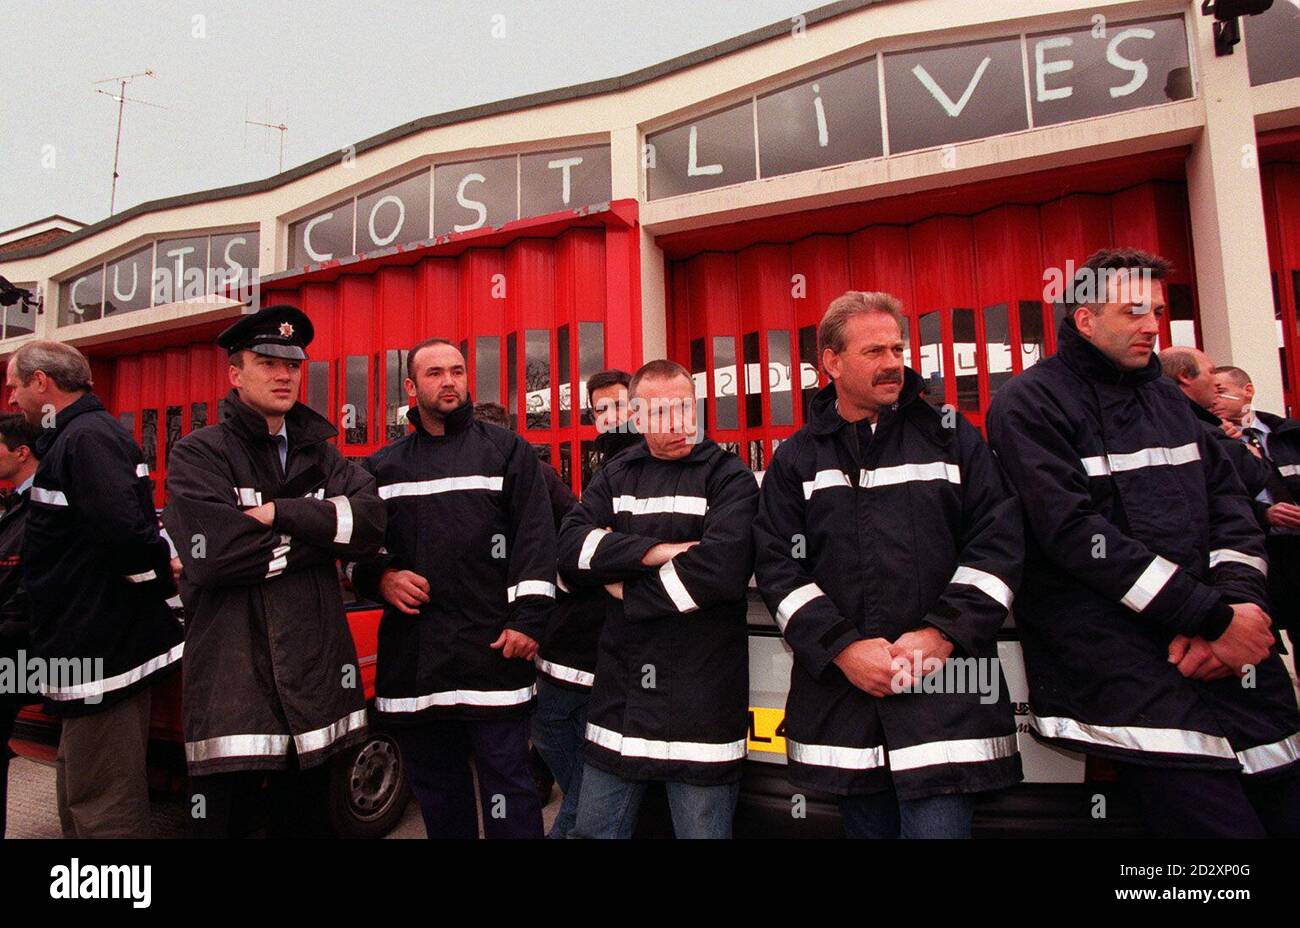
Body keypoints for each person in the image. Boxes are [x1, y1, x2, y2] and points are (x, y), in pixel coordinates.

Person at [987, 248, 1300, 838]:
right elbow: (1073, 534)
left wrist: (1241, 606)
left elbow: (1230, 505)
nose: (1153, 325)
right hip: (1128, 674)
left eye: (1157, 310)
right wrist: (1209, 617)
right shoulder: (1030, 403)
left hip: (1233, 658)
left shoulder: (1168, 402)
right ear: (1085, 319)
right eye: (1134, 311)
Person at [753, 291, 1023, 839]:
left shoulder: (951, 436)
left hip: (944, 697)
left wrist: (943, 634)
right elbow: (780, 567)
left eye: (897, 348)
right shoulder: (798, 458)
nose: (893, 363)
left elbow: (998, 541)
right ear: (831, 362)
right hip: (847, 703)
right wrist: (844, 649)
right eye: (874, 351)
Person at [163, 305, 386, 837]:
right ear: (235, 373)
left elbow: (372, 526)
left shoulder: (323, 456)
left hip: (316, 688)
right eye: (266, 362)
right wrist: (321, 536)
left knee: (307, 826)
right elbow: (212, 556)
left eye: (293, 364)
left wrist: (280, 513)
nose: (284, 374)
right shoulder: (199, 453)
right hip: (234, 693)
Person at [353, 339, 557, 839]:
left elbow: (535, 539)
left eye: (458, 371)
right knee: (439, 794)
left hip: (494, 653)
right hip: (416, 662)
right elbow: (357, 550)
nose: (449, 381)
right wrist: (381, 577)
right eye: (435, 373)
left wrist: (528, 621)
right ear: (410, 386)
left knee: (509, 789)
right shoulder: (383, 467)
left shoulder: (506, 451)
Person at [558, 359, 759, 839]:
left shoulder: (729, 476)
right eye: (664, 413)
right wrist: (659, 550)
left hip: (701, 705)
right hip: (620, 704)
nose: (680, 423)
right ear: (639, 418)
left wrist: (627, 589)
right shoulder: (615, 475)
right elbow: (569, 549)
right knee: (592, 831)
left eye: (686, 408)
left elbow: (722, 570)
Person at [9, 340, 183, 837]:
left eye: (15, 385)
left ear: (42, 382)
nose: (12, 399)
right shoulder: (76, 437)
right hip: (83, 647)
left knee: (102, 800)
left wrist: (153, 576)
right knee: (81, 784)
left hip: (101, 653)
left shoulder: (86, 439)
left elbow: (128, 536)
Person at [528, 370, 635, 838]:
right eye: (600, 408)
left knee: (590, 769)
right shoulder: (601, 468)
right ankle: (583, 808)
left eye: (619, 404)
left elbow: (622, 552)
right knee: (552, 730)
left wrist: (599, 556)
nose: (610, 416)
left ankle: (578, 818)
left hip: (607, 647)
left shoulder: (644, 464)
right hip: (566, 643)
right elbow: (576, 548)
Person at [1213, 364, 1300, 642]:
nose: (1214, 399)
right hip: (1259, 555)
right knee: (1260, 639)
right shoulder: (1213, 443)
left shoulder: (1289, 434)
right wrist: (1264, 514)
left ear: (1247, 391)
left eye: (1221, 391)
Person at [1159, 347, 1269, 514]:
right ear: (1185, 376)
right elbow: (1251, 477)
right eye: (1211, 372)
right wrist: (1243, 449)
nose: (1216, 383)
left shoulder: (1157, 419)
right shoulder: (1200, 428)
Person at [0, 413, 41, 838]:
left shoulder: (41, 509)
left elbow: (30, 586)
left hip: (17, 652)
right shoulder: (16, 505)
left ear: (21, 452)